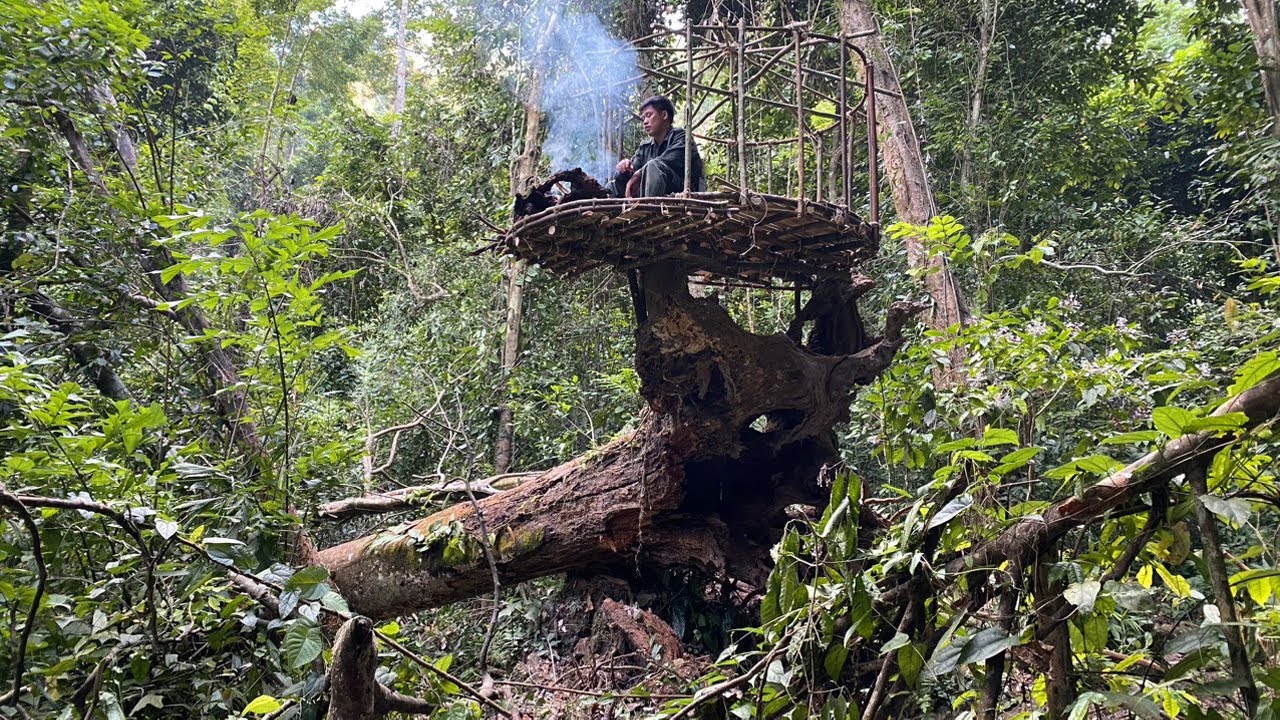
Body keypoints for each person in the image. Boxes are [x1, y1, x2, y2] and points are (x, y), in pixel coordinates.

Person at [608, 96, 705, 198]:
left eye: (649, 115)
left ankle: (649, 211)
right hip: (647, 193)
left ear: (664, 115)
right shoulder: (645, 148)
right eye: (643, 118)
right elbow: (631, 171)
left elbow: (668, 160)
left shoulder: (683, 138)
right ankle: (606, 212)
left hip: (680, 195)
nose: (645, 121)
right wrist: (623, 168)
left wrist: (639, 173)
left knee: (653, 166)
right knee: (612, 186)